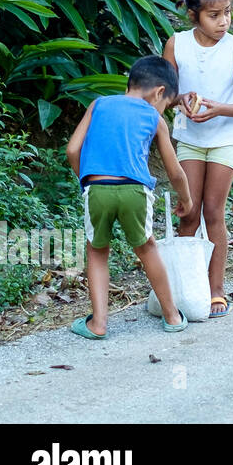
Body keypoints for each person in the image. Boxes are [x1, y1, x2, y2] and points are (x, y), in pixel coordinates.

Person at [65, 55, 193, 338]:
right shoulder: (154, 118)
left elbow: (73, 150)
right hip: (135, 189)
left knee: (97, 251)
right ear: (160, 92)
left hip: (97, 188)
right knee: (147, 248)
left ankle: (98, 324)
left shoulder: (98, 105)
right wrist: (187, 199)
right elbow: (175, 172)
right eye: (166, 104)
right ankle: (172, 316)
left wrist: (87, 182)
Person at [164, 0, 233, 319]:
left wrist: (219, 109)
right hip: (189, 138)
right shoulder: (176, 45)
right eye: (214, 15)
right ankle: (188, 288)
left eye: (227, 13)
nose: (223, 22)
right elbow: (166, 94)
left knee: (214, 212)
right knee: (188, 213)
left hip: (225, 139)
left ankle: (216, 289)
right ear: (194, 15)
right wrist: (181, 100)